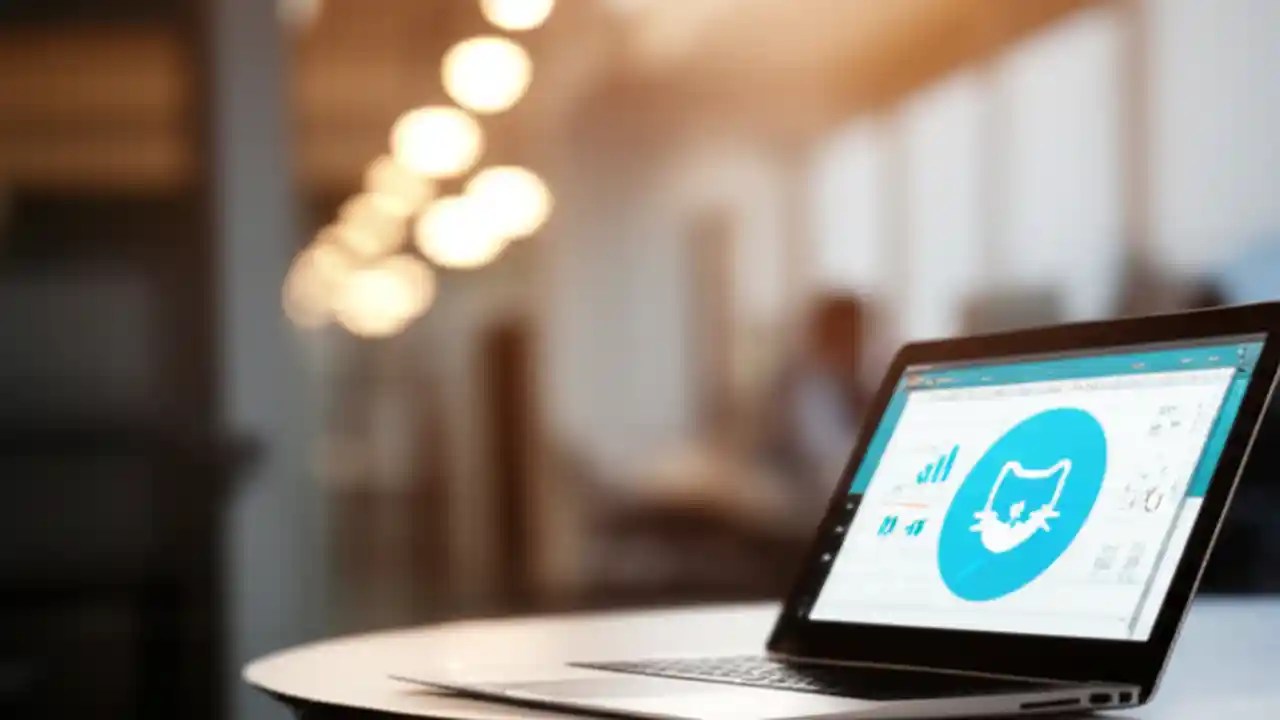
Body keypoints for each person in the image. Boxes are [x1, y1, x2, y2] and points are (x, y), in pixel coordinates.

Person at [764, 294, 871, 519]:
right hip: (801, 503)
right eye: (850, 333)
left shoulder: (852, 383)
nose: (857, 344)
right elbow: (824, 455)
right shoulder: (807, 383)